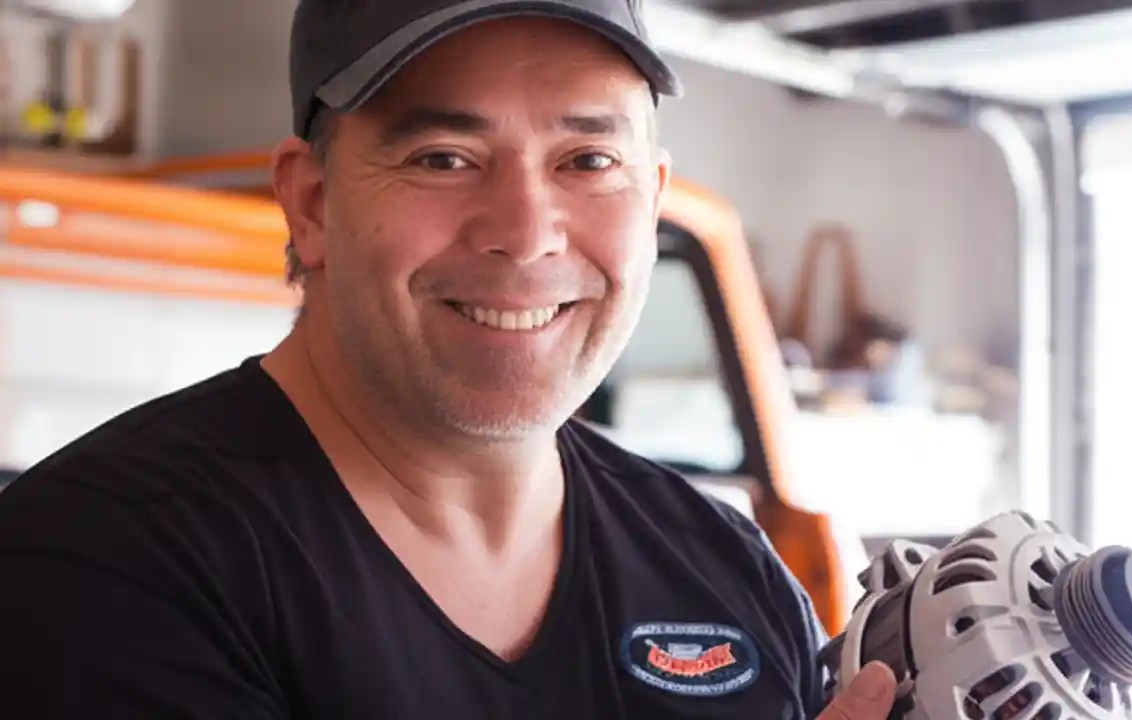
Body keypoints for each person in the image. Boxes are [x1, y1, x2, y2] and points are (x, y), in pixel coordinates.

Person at [0, 1, 898, 717]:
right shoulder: (99, 563)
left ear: (650, 201)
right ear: (311, 204)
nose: (525, 232)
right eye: (444, 157)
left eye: (587, 160)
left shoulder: (727, 570)